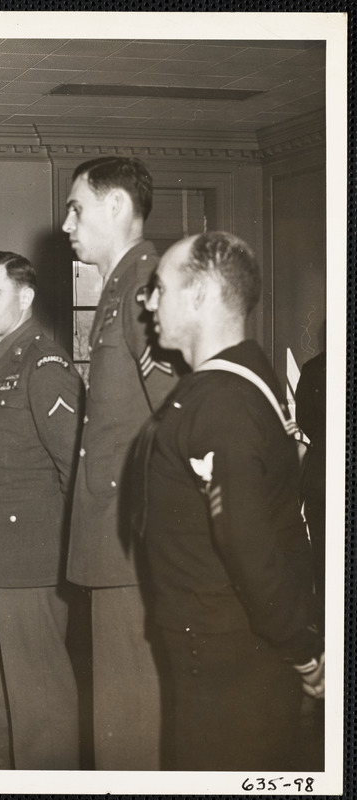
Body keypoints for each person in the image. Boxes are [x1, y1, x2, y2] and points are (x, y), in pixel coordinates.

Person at [128, 231, 324, 770]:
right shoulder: (241, 376)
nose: (148, 302)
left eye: (159, 288)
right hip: (220, 636)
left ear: (199, 296)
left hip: (224, 648)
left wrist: (301, 648)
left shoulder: (221, 402)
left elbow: (246, 540)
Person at [61, 156, 178, 769]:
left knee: (129, 708)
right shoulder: (119, 291)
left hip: (134, 532)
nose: (65, 224)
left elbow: (180, 420)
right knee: (118, 700)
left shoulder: (145, 289)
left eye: (77, 207)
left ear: (115, 208)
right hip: (113, 529)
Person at [0, 250, 83, 769]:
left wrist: (62, 550)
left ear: (25, 297)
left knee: (38, 688)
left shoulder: (44, 361)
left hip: (31, 550)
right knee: (3, 685)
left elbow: (71, 467)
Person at [295, 349, 326, 629]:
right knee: (321, 550)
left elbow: (305, 416)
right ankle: (324, 620)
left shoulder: (314, 368)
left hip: (321, 469)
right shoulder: (313, 368)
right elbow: (302, 416)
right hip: (321, 478)